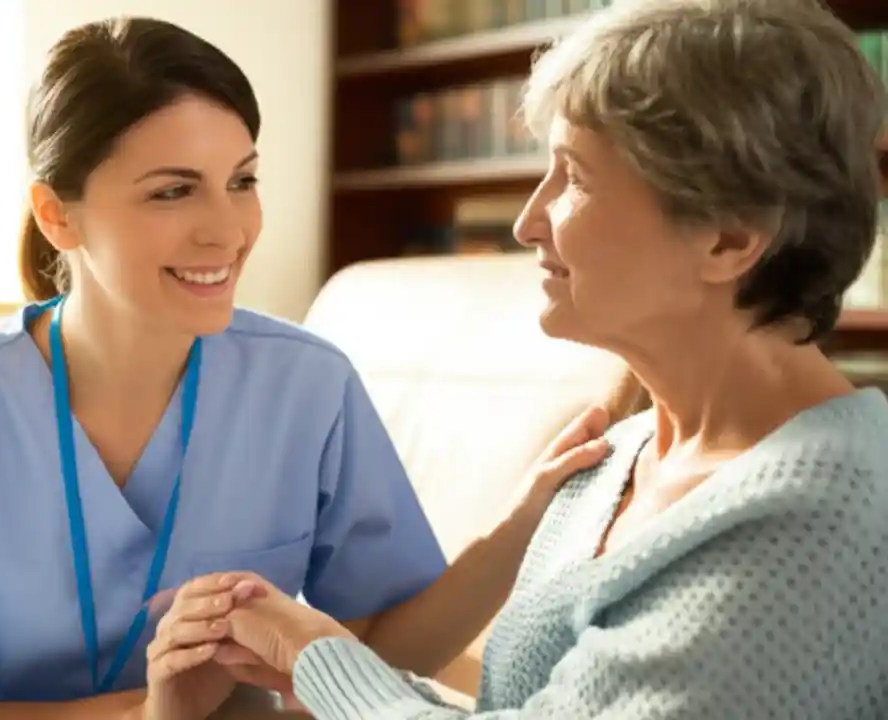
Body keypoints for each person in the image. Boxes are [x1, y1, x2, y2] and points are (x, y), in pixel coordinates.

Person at [0, 15, 610, 720]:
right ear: (56, 214)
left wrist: (523, 524)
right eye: (173, 191)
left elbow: (378, 656)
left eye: (242, 181)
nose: (228, 230)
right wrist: (154, 713)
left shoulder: (308, 387)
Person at [184, 0, 888, 717]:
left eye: (574, 177)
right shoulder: (615, 458)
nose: (526, 222)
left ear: (730, 239)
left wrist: (318, 660)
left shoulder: (815, 519)